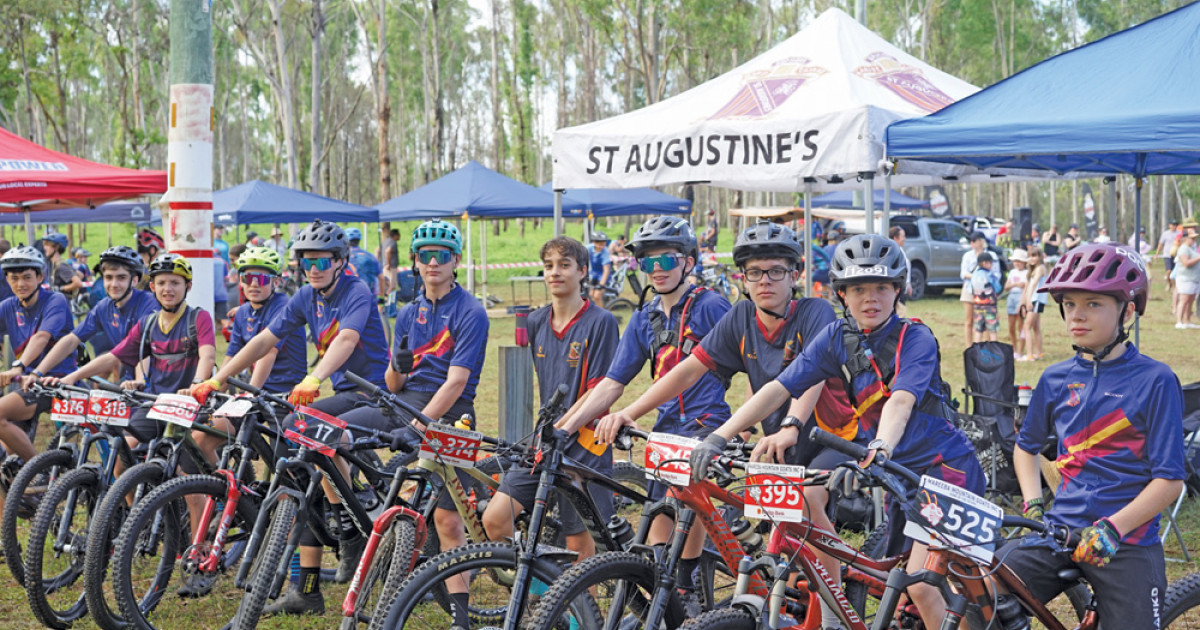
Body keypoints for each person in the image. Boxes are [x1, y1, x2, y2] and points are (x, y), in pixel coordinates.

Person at [689, 233, 984, 627]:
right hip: (898, 478)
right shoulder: (836, 338)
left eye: (881, 287)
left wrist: (878, 447)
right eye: (858, 289)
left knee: (923, 584)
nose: (871, 298)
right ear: (842, 294)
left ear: (898, 289)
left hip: (948, 473)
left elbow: (900, 402)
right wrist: (720, 436)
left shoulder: (915, 338)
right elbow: (779, 388)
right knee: (894, 580)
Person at [594, 221, 853, 627]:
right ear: (742, 278)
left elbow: (813, 377)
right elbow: (687, 370)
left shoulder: (814, 311)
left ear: (796, 274)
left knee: (807, 504)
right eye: (754, 272)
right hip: (779, 440)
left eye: (776, 271)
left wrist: (790, 424)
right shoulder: (741, 317)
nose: (764, 280)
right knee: (779, 527)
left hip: (832, 436)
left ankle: (835, 617)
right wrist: (631, 412)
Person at [190, 219, 390, 615]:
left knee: (315, 434)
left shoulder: (356, 291)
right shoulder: (306, 296)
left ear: (340, 261)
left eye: (322, 262)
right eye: (307, 263)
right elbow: (264, 339)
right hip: (344, 393)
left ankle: (347, 523)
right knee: (298, 472)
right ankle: (308, 589)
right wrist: (218, 379)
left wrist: (314, 377)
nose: (313, 269)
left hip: (374, 394)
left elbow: (347, 339)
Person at [999, 243, 1184, 630]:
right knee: (978, 596)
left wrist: (1114, 527)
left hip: (1127, 539)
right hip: (1057, 531)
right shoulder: (1055, 378)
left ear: (1128, 312)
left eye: (1094, 304)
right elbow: (1026, 448)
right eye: (1068, 304)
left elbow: (1169, 481)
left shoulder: (1156, 380)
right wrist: (1034, 506)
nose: (1076, 315)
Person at [559, 215, 731, 615]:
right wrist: (564, 426)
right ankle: (670, 600)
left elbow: (748, 362)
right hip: (665, 429)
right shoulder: (644, 318)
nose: (656, 270)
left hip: (706, 423)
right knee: (656, 532)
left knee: (684, 509)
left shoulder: (711, 306)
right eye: (646, 262)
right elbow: (612, 382)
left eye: (666, 260)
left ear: (689, 262)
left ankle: (686, 595)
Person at [336, 218, 489, 627]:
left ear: (455, 260)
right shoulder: (407, 312)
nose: (433, 262)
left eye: (442, 256)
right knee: (333, 437)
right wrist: (397, 369)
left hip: (451, 411)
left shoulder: (471, 311)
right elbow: (392, 382)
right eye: (425, 256)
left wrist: (421, 428)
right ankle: (362, 511)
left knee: (448, 521)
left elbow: (457, 382)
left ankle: (461, 618)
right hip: (405, 401)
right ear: (415, 262)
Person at [481, 236, 619, 575]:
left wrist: (564, 428)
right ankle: (544, 592)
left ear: (582, 271)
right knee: (496, 519)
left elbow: (600, 388)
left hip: (585, 444)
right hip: (544, 443)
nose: (554, 273)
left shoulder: (601, 322)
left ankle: (577, 619)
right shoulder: (536, 321)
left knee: (578, 543)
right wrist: (550, 433)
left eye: (564, 265)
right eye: (548, 266)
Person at [47, 253, 216, 454]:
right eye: (161, 283)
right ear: (152, 287)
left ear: (188, 287)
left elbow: (208, 356)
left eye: (175, 283)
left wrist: (197, 384)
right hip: (155, 403)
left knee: (184, 465)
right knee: (123, 452)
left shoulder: (198, 318)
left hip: (190, 405)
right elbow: (114, 356)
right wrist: (72, 377)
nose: (167, 289)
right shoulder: (149, 323)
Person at [22, 246, 157, 387]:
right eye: (108, 278)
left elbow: (140, 351)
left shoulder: (148, 303)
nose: (114, 284)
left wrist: (72, 377)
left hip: (156, 381)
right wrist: (37, 373)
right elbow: (71, 340)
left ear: (134, 281)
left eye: (121, 278)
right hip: (131, 381)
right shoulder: (104, 307)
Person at [0, 247, 76, 464]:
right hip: (24, 383)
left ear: (40, 277)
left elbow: (41, 337)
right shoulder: (8, 306)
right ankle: (25, 487)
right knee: (8, 466)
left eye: (27, 278)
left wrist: (19, 366)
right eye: (14, 278)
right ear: (7, 279)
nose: (20, 284)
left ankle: (39, 470)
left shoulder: (55, 300)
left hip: (56, 382)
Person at [960, 231, 993, 347]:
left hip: (985, 291)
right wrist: (976, 276)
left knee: (986, 320)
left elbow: (994, 273)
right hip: (969, 289)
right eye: (971, 241)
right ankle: (969, 346)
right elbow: (963, 273)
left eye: (974, 241)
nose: (972, 243)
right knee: (969, 320)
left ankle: (986, 345)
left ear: (981, 242)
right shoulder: (967, 256)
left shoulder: (990, 255)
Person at [1020, 247, 1048, 361]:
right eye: (1030, 256)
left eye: (1034, 256)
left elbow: (1034, 284)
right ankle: (1039, 353)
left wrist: (1028, 300)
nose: (1032, 259)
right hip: (1035, 300)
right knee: (1036, 327)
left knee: (1027, 326)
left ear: (1040, 257)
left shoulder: (1040, 268)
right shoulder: (1033, 269)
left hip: (1035, 300)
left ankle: (1030, 355)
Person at [971, 251, 1002, 343]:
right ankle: (994, 350)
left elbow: (970, 289)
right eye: (991, 263)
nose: (992, 265)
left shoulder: (974, 275)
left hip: (977, 306)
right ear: (985, 263)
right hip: (990, 307)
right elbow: (997, 287)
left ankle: (977, 351)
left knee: (978, 330)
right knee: (992, 330)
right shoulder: (989, 275)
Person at [1004, 248, 1029, 358]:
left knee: (1021, 325)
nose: (1017, 263)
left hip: (1021, 297)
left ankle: (1020, 350)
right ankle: (1013, 348)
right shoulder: (1012, 272)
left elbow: (1026, 286)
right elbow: (1006, 287)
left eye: (1019, 261)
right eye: (1015, 261)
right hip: (1011, 297)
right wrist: (1016, 284)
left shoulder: (1027, 273)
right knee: (1011, 326)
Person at [1173, 226, 1200, 329]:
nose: (1193, 240)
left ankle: (1187, 321)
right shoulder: (1183, 249)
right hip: (1185, 278)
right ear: (1185, 238)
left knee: (1191, 299)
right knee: (1184, 299)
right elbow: (1186, 263)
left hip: (1193, 278)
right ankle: (1179, 321)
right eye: (1191, 238)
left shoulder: (1191, 248)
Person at [42, 232, 82, 297]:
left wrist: (61, 288)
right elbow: (80, 274)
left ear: (57, 247)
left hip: (63, 303)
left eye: (47, 245)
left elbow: (78, 283)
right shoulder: (59, 263)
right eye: (44, 245)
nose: (44, 248)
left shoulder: (60, 266)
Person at [345, 226, 382, 297]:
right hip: (369, 295)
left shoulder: (342, 258)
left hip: (349, 296)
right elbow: (381, 278)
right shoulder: (370, 256)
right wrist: (381, 298)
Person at [588, 231, 612, 305]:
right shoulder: (589, 248)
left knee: (597, 296)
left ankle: (602, 316)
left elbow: (606, 270)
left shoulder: (605, 252)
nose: (602, 247)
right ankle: (596, 312)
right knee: (591, 295)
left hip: (604, 275)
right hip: (594, 274)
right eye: (599, 244)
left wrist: (601, 284)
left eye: (603, 244)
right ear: (594, 243)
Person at [1158, 220, 1179, 293]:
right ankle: (1168, 283)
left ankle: (1174, 286)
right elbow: (1161, 243)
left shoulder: (1178, 233)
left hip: (1176, 255)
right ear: (1169, 225)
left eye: (1175, 225)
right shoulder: (1165, 234)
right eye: (1173, 225)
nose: (1174, 226)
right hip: (1167, 254)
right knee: (1168, 271)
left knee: (1174, 271)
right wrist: (1157, 253)